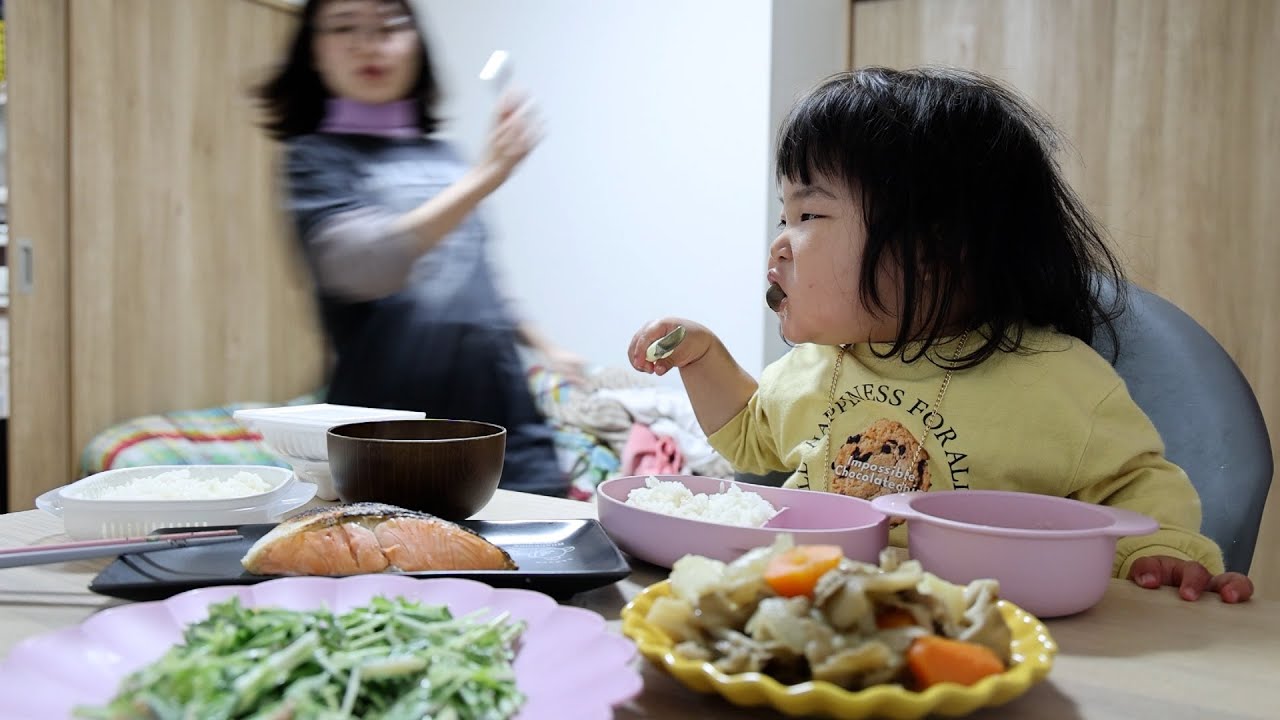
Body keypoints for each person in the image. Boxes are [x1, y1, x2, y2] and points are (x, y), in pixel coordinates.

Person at [627, 67, 1254, 603]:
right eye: (784, 215)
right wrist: (703, 359)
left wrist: (1164, 556)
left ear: (934, 248)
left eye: (810, 214)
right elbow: (749, 435)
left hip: (987, 630)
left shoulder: (1057, 382)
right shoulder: (816, 366)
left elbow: (1138, 488)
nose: (781, 241)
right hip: (819, 614)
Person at [257, 0, 583, 496]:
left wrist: (547, 346)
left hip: (506, 430)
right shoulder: (316, 158)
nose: (369, 44)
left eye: (389, 26)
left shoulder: (445, 157)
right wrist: (486, 175)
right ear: (314, 52)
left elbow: (477, 278)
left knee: (566, 567)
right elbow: (363, 264)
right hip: (388, 438)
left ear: (417, 46)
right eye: (344, 27)